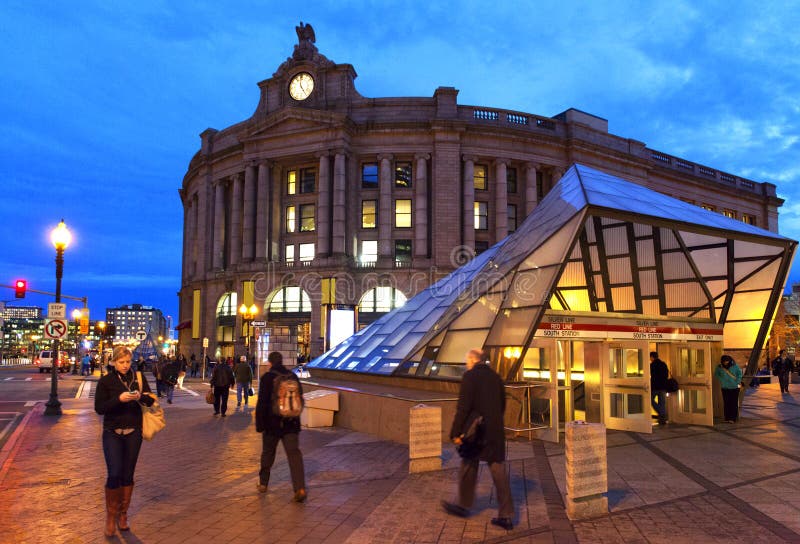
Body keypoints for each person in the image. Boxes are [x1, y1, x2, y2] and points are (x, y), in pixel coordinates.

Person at [441, 349, 514, 531]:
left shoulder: (470, 376)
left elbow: (463, 407)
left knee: (468, 465)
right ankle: (506, 516)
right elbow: (502, 405)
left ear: (473, 360)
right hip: (494, 431)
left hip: (475, 432)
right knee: (498, 471)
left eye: (467, 360)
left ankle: (464, 506)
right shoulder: (496, 378)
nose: (466, 363)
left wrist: (455, 432)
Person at [94, 346, 155, 537]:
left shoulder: (137, 377)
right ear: (113, 362)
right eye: (121, 362)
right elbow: (100, 408)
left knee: (128, 475)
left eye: (128, 362)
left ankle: (123, 515)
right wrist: (119, 399)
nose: (125, 366)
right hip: (112, 432)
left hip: (133, 432)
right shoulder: (106, 381)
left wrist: (140, 397)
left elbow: (151, 400)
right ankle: (110, 517)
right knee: (114, 474)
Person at [255, 351, 306, 501]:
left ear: (270, 363)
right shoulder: (293, 376)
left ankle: (263, 483)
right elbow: (300, 398)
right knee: (294, 454)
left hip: (272, 423)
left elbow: (262, 403)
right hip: (291, 423)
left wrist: (260, 424)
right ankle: (300, 488)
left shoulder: (268, 378)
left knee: (268, 453)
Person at [715, 354, 742, 423]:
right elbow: (716, 374)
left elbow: (739, 374)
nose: (726, 362)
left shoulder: (735, 366)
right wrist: (721, 379)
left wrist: (737, 381)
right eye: (724, 361)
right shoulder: (719, 367)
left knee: (733, 403)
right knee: (726, 403)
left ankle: (733, 419)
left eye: (727, 361)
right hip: (725, 387)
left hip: (734, 388)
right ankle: (727, 418)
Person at [650, 352, 669, 425]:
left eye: (650, 357)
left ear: (652, 357)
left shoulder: (652, 365)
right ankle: (662, 419)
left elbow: (652, 376)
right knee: (662, 403)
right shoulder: (663, 364)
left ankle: (661, 414)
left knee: (650, 400)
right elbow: (666, 375)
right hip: (663, 387)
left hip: (655, 387)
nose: (650, 359)